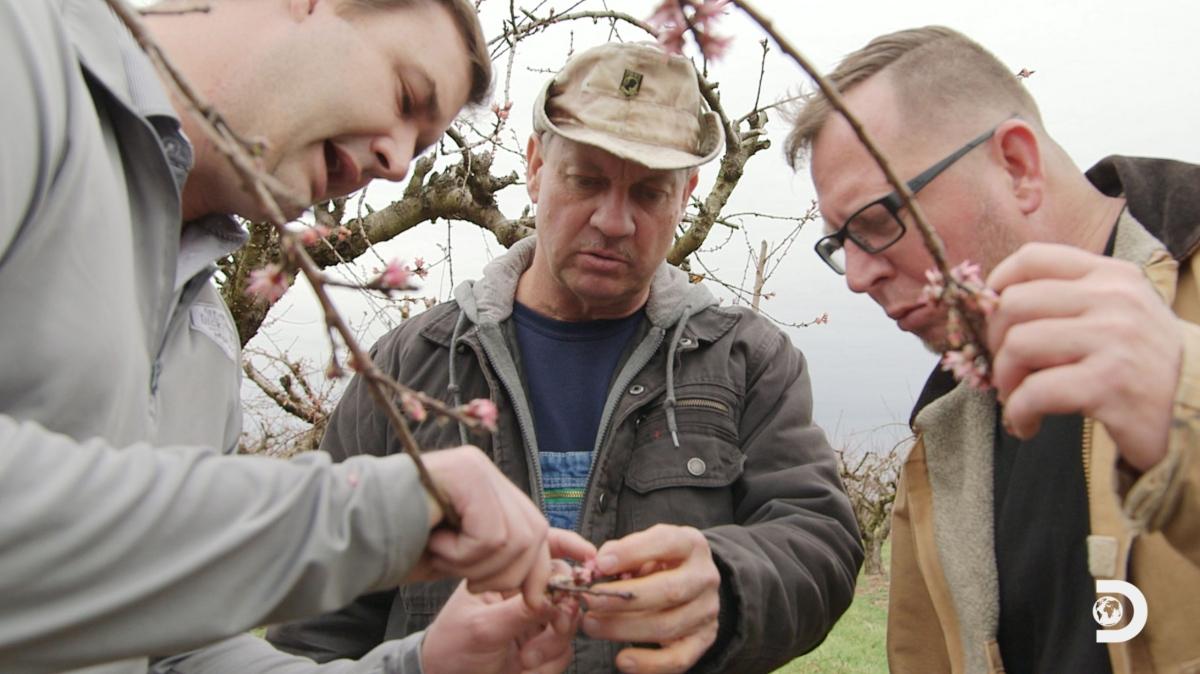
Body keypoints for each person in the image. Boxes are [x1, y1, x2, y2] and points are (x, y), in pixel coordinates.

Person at [0, 0, 573, 672]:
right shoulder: (27, 61)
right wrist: (362, 517)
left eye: (419, 147)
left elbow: (173, 651)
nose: (394, 163)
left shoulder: (205, 336)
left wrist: (418, 668)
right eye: (406, 95)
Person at [268, 41, 863, 674]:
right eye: (587, 180)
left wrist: (727, 582)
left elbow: (820, 539)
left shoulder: (746, 360)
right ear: (534, 166)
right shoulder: (412, 363)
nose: (613, 221)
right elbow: (319, 612)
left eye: (649, 194)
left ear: (686, 194)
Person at [787, 25, 1200, 674]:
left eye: (876, 222)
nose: (861, 278)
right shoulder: (942, 439)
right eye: (842, 245)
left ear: (1017, 166)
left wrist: (1184, 406)